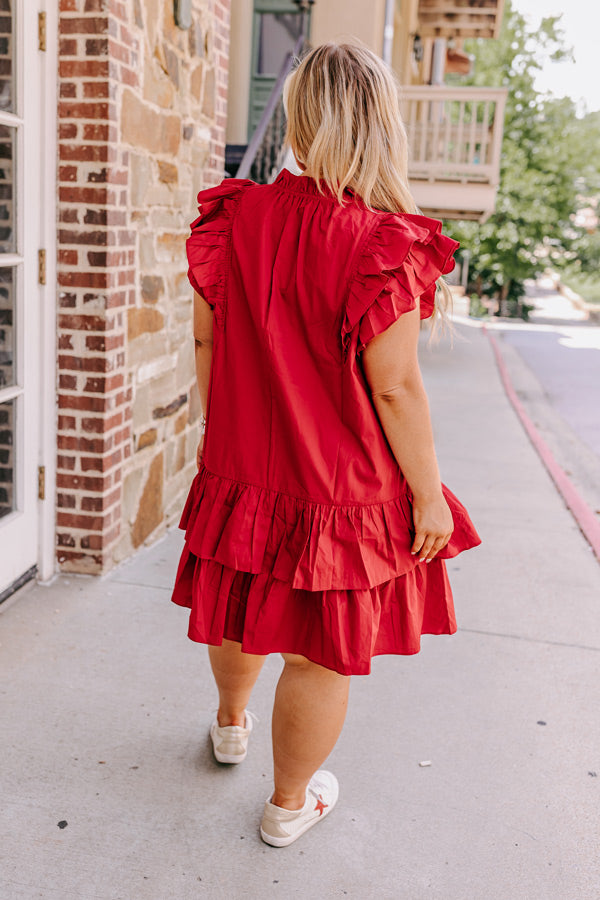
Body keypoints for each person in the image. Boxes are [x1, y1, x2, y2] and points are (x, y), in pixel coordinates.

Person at [171, 41, 481, 848]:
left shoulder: (234, 216)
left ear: (304, 117)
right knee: (316, 656)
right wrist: (426, 495)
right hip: (340, 488)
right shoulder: (380, 242)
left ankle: (231, 724)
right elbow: (394, 387)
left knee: (239, 610)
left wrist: (223, 433)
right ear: (382, 124)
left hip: (241, 464)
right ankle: (287, 805)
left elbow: (206, 344)